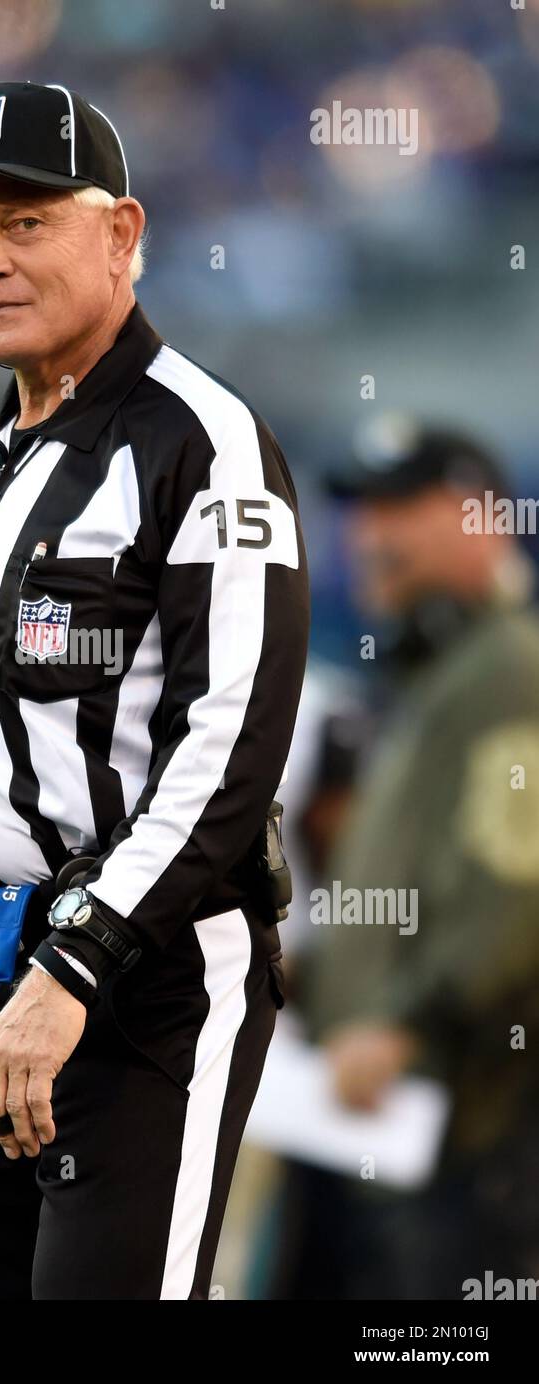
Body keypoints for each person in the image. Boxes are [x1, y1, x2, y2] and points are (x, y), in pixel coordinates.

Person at [0, 80, 310, 1300]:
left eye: (26, 223)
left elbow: (230, 745)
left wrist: (72, 966)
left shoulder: (201, 437)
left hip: (136, 990)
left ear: (122, 234)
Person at [268, 414, 539, 1299]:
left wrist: (411, 1023)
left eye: (400, 510)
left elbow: (517, 893)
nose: (370, 537)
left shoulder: (509, 671)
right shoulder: (442, 674)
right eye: (360, 514)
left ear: (483, 517)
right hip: (389, 1118)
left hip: (467, 1123)